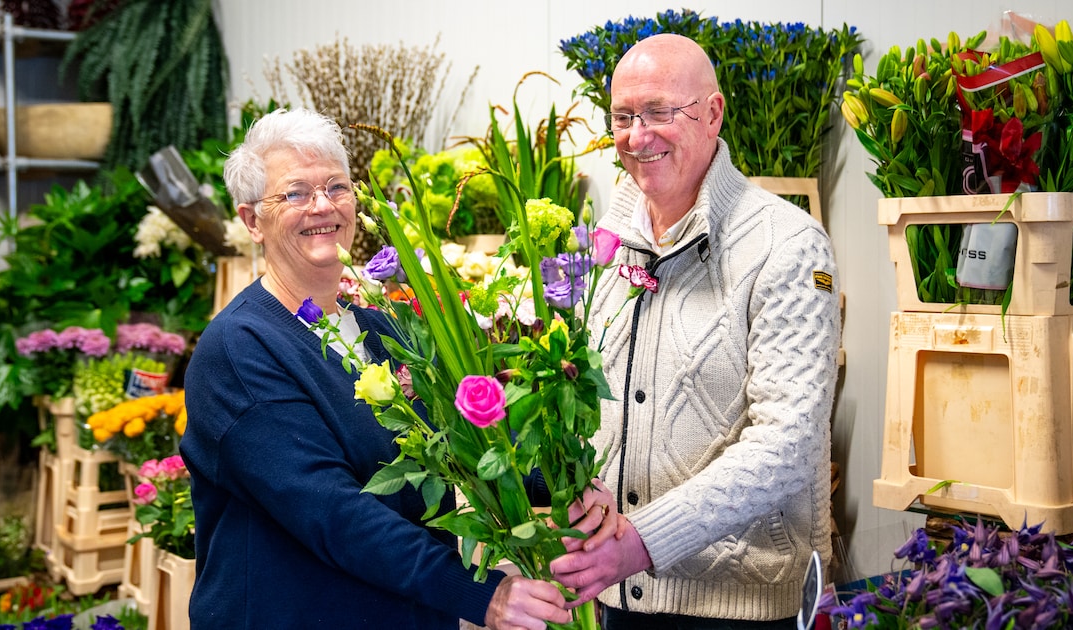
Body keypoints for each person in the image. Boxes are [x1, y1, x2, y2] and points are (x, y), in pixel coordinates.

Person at [180, 107, 573, 629]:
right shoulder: (240, 349)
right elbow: (330, 511)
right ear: (252, 220)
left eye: (337, 187)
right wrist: (480, 593)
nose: (323, 206)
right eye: (295, 193)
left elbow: (460, 449)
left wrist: (569, 482)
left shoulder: (383, 330)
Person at [549, 33, 841, 629]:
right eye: (624, 117)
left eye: (659, 112)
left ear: (713, 114)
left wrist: (643, 540)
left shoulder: (787, 246)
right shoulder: (601, 246)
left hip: (741, 608)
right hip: (618, 599)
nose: (637, 136)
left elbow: (788, 443)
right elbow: (577, 399)